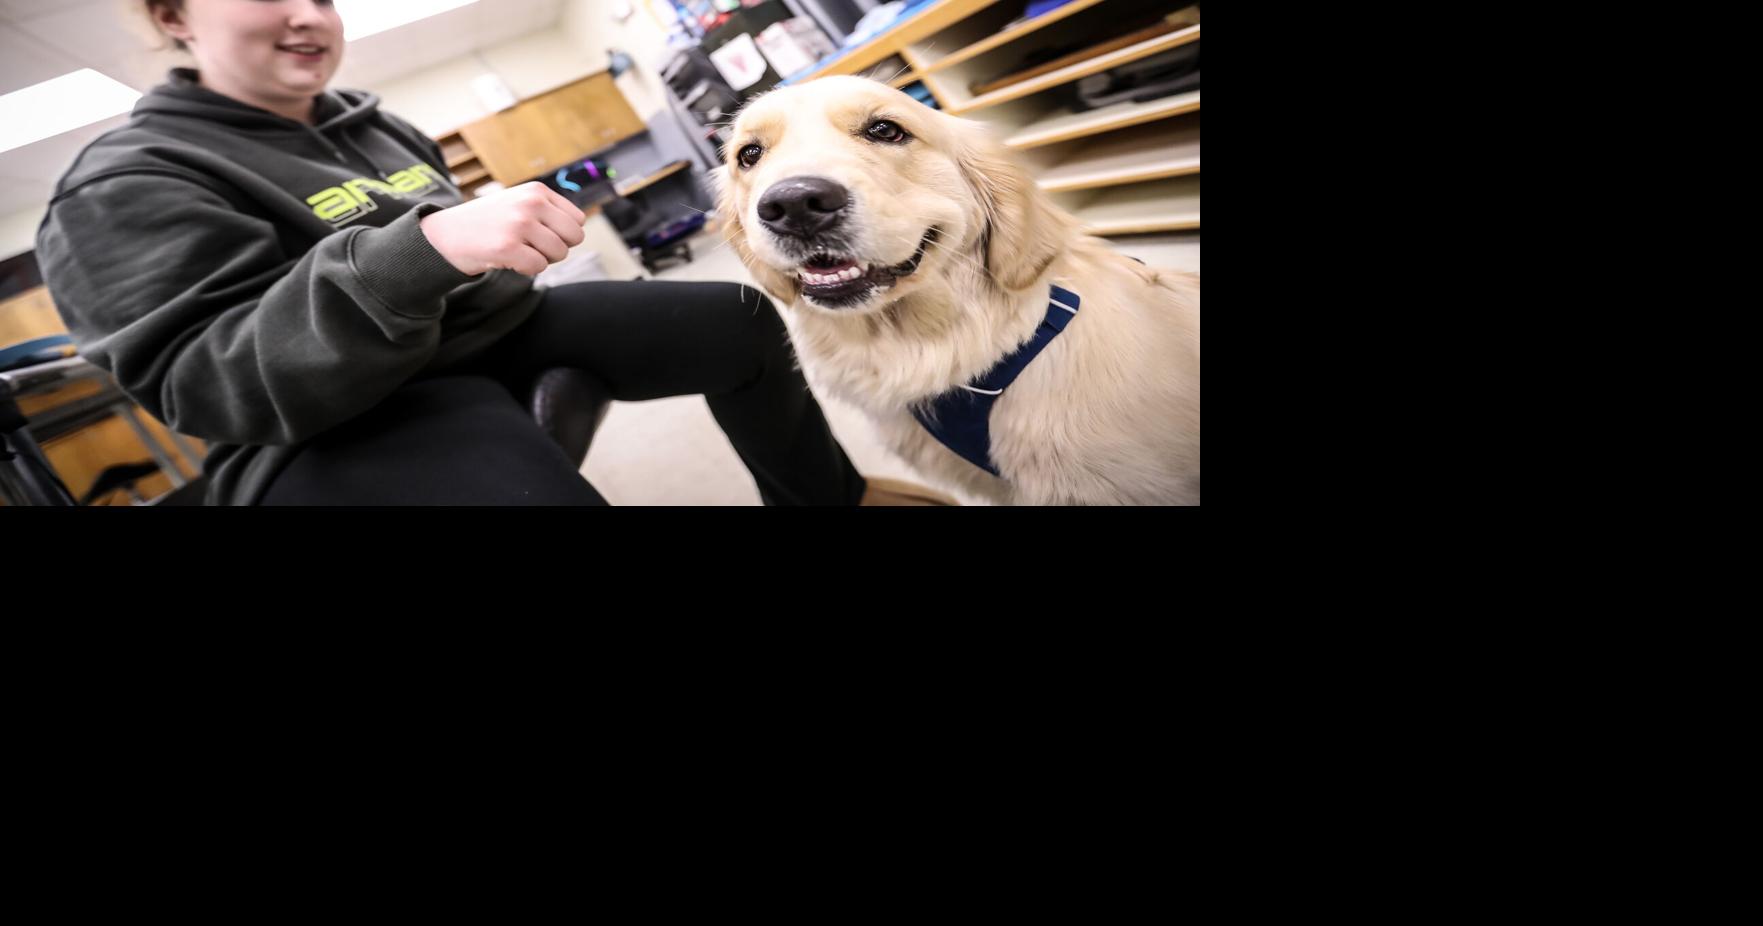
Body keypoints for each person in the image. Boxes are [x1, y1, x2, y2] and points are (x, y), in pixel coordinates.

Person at [34, 0, 953, 505]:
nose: (309, 16)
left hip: (488, 329)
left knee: (737, 318)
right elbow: (209, 387)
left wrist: (473, 248)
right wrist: (418, 251)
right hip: (343, 412)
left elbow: (445, 251)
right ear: (174, 13)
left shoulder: (372, 122)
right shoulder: (125, 181)